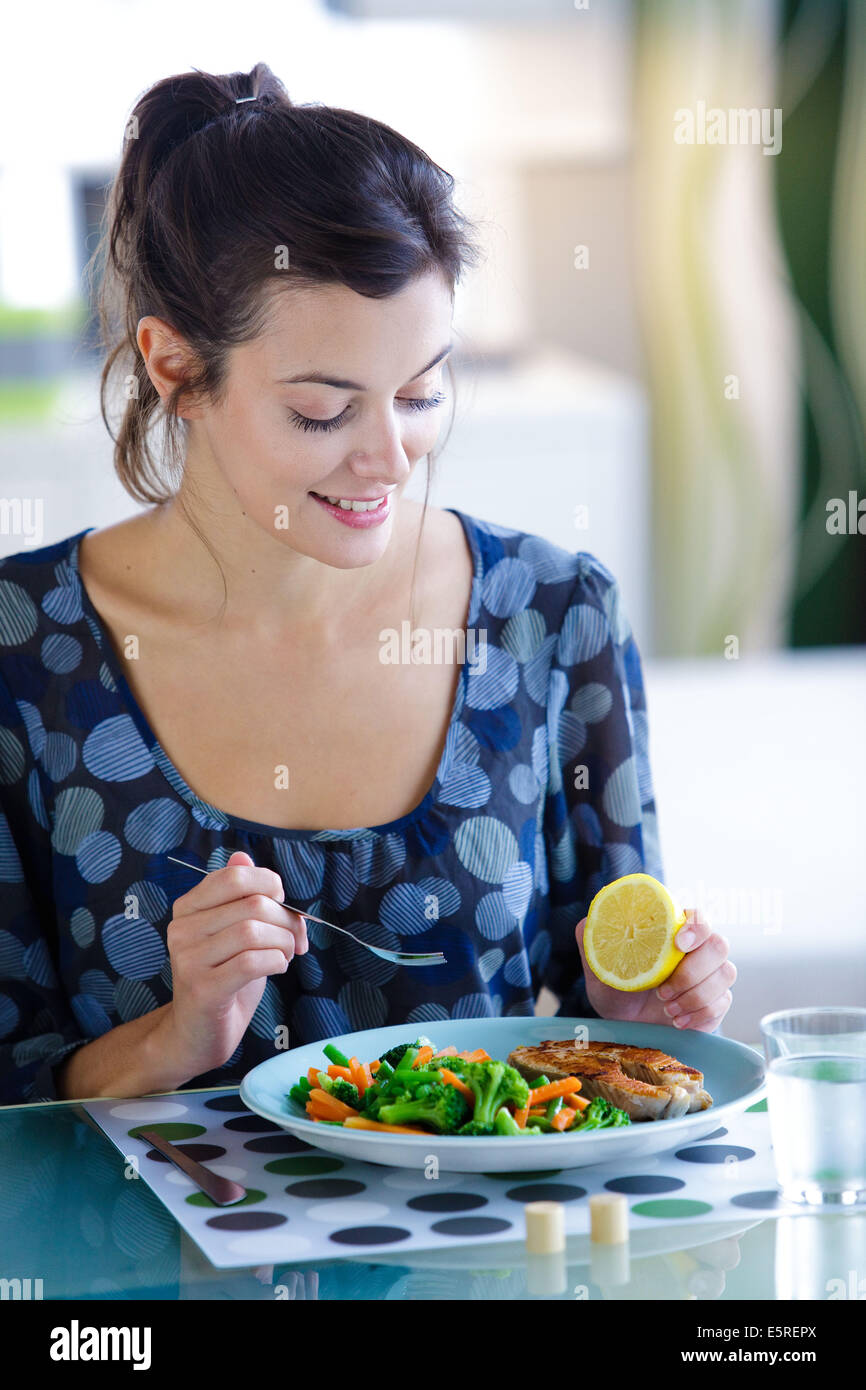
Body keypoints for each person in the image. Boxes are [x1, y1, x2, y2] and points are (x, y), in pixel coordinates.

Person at [0, 64, 736, 1105]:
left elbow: (596, 1004)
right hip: (146, 1265)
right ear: (173, 367)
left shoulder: (553, 613)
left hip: (489, 1260)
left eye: (422, 392)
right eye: (321, 411)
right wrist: (179, 1034)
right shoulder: (22, 647)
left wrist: (637, 1016)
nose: (389, 457)